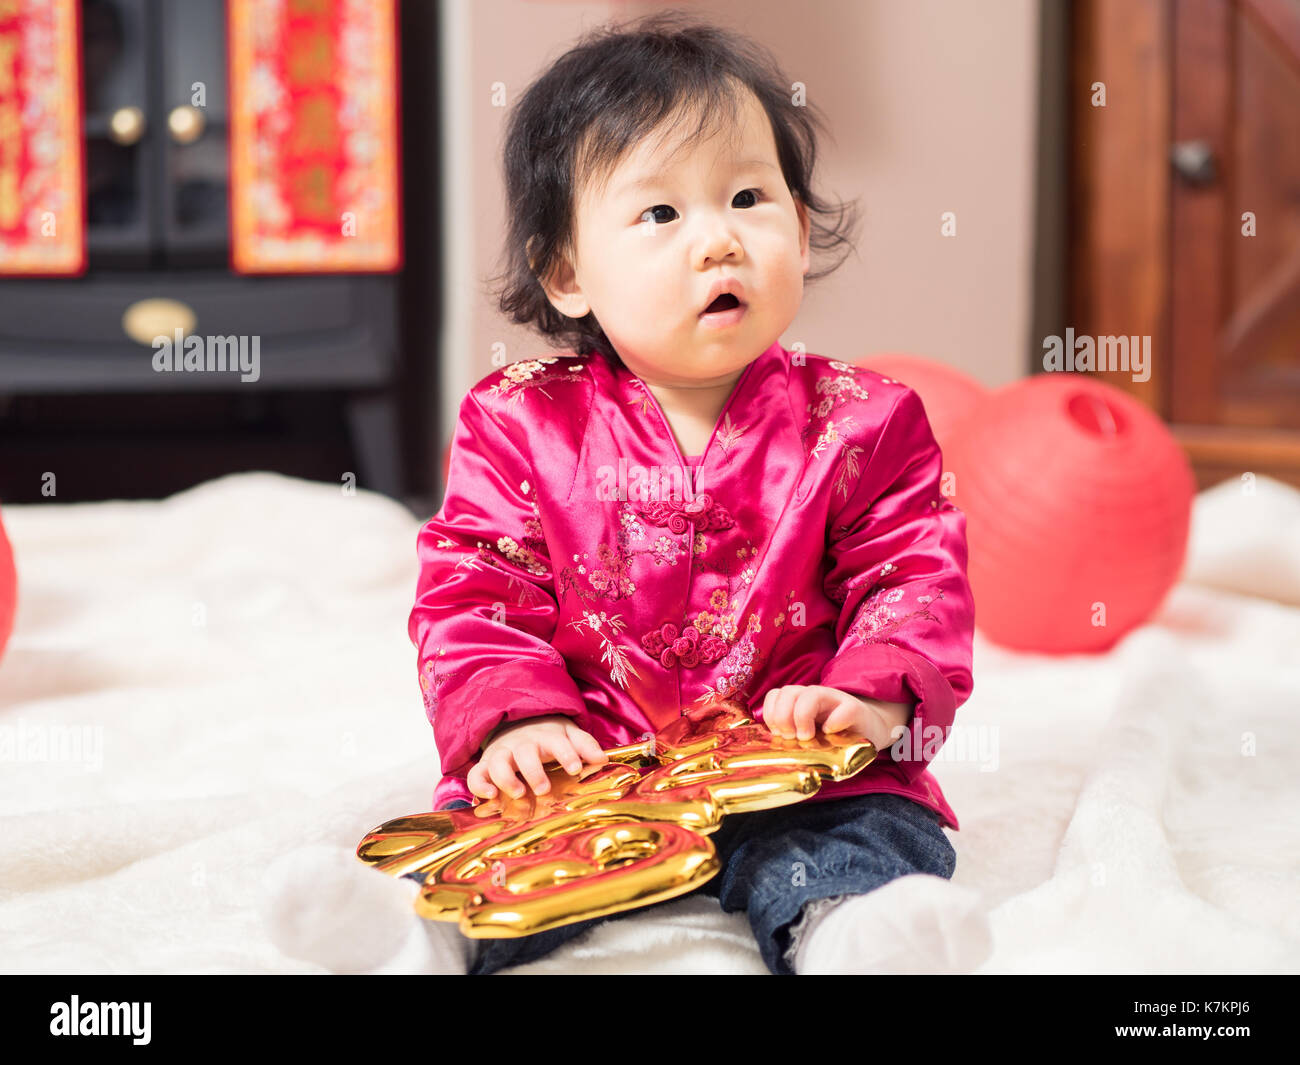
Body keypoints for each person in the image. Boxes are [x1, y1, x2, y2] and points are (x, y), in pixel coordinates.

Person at [263, 11, 992, 976]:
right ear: (566, 273)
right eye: (661, 214)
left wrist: (867, 698)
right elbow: (474, 595)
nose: (718, 242)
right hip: (586, 766)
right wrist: (517, 720)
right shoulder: (517, 422)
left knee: (865, 839)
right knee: (500, 853)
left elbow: (913, 576)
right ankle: (413, 940)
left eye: (748, 197)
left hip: (796, 768)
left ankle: (853, 936)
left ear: (800, 225)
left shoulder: (866, 420)